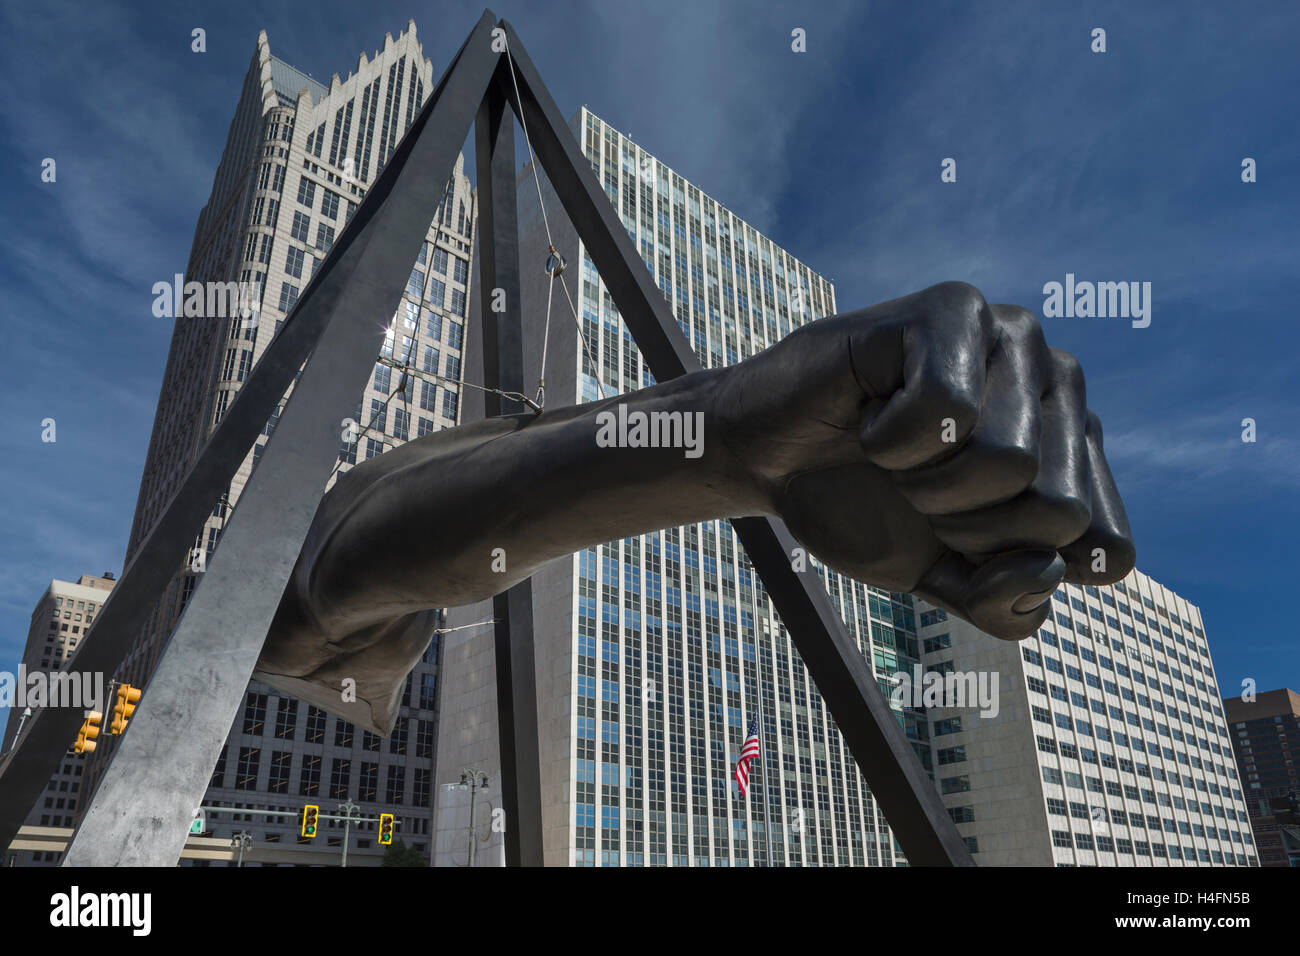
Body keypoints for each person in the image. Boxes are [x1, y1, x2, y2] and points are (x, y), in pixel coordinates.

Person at [253, 281, 1134, 734]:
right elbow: (319, 605)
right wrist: (723, 442)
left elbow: (339, 596)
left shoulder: (364, 583)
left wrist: (732, 445)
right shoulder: (280, 601)